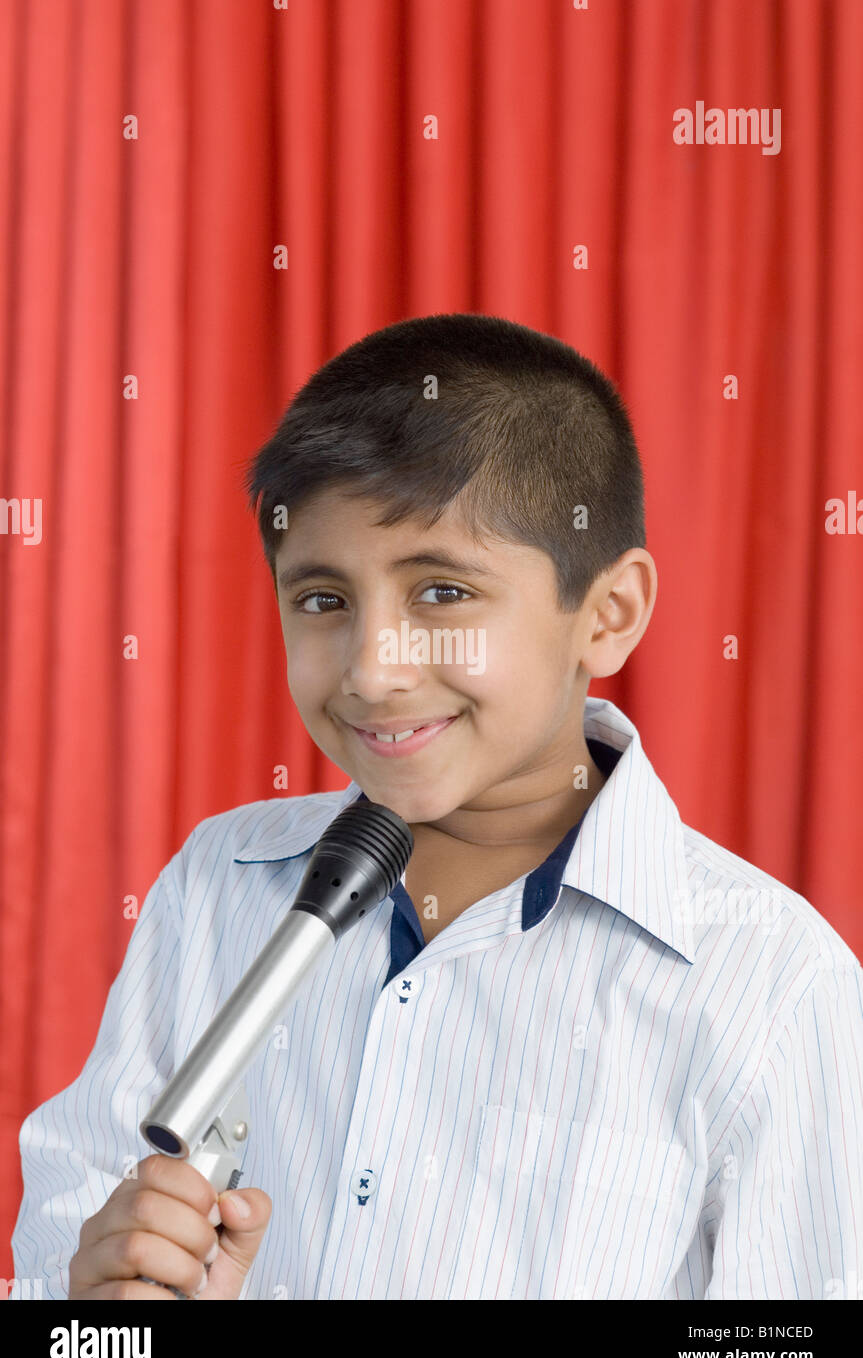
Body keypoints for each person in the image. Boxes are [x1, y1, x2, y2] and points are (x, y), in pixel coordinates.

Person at [10, 313, 863, 1300]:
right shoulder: (219, 881)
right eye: (323, 600)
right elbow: (68, 1244)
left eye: (444, 593)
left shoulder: (771, 981)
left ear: (608, 612)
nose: (373, 672)